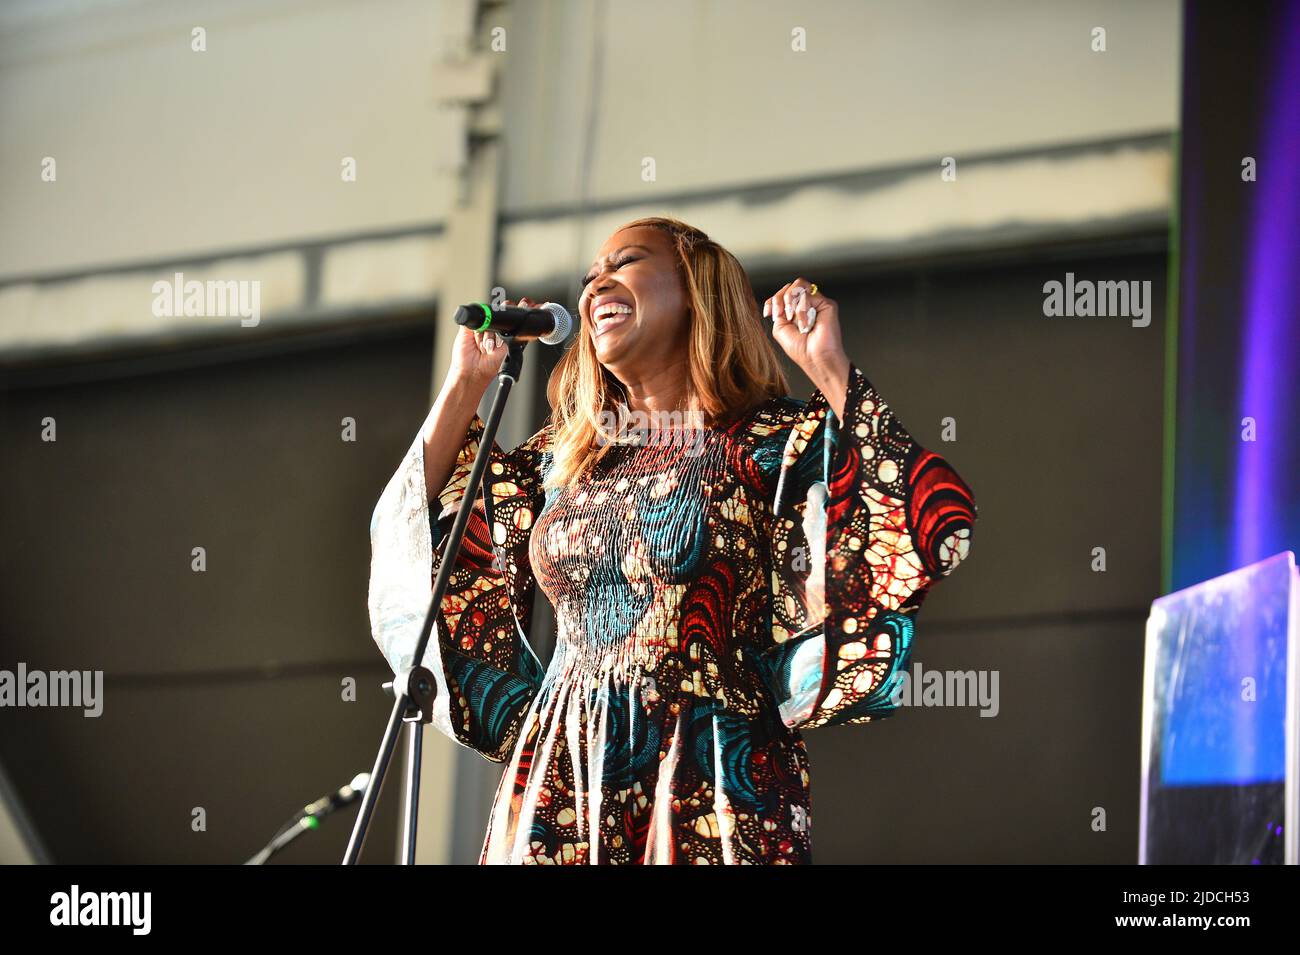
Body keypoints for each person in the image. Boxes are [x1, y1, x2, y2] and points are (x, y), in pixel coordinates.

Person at [368, 216, 977, 864]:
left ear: (695, 288)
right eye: (588, 275)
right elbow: (413, 521)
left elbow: (928, 519)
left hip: (709, 762)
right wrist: (467, 380)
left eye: (623, 262)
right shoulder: (571, 458)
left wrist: (828, 366)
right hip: (564, 764)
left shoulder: (767, 439)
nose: (596, 281)